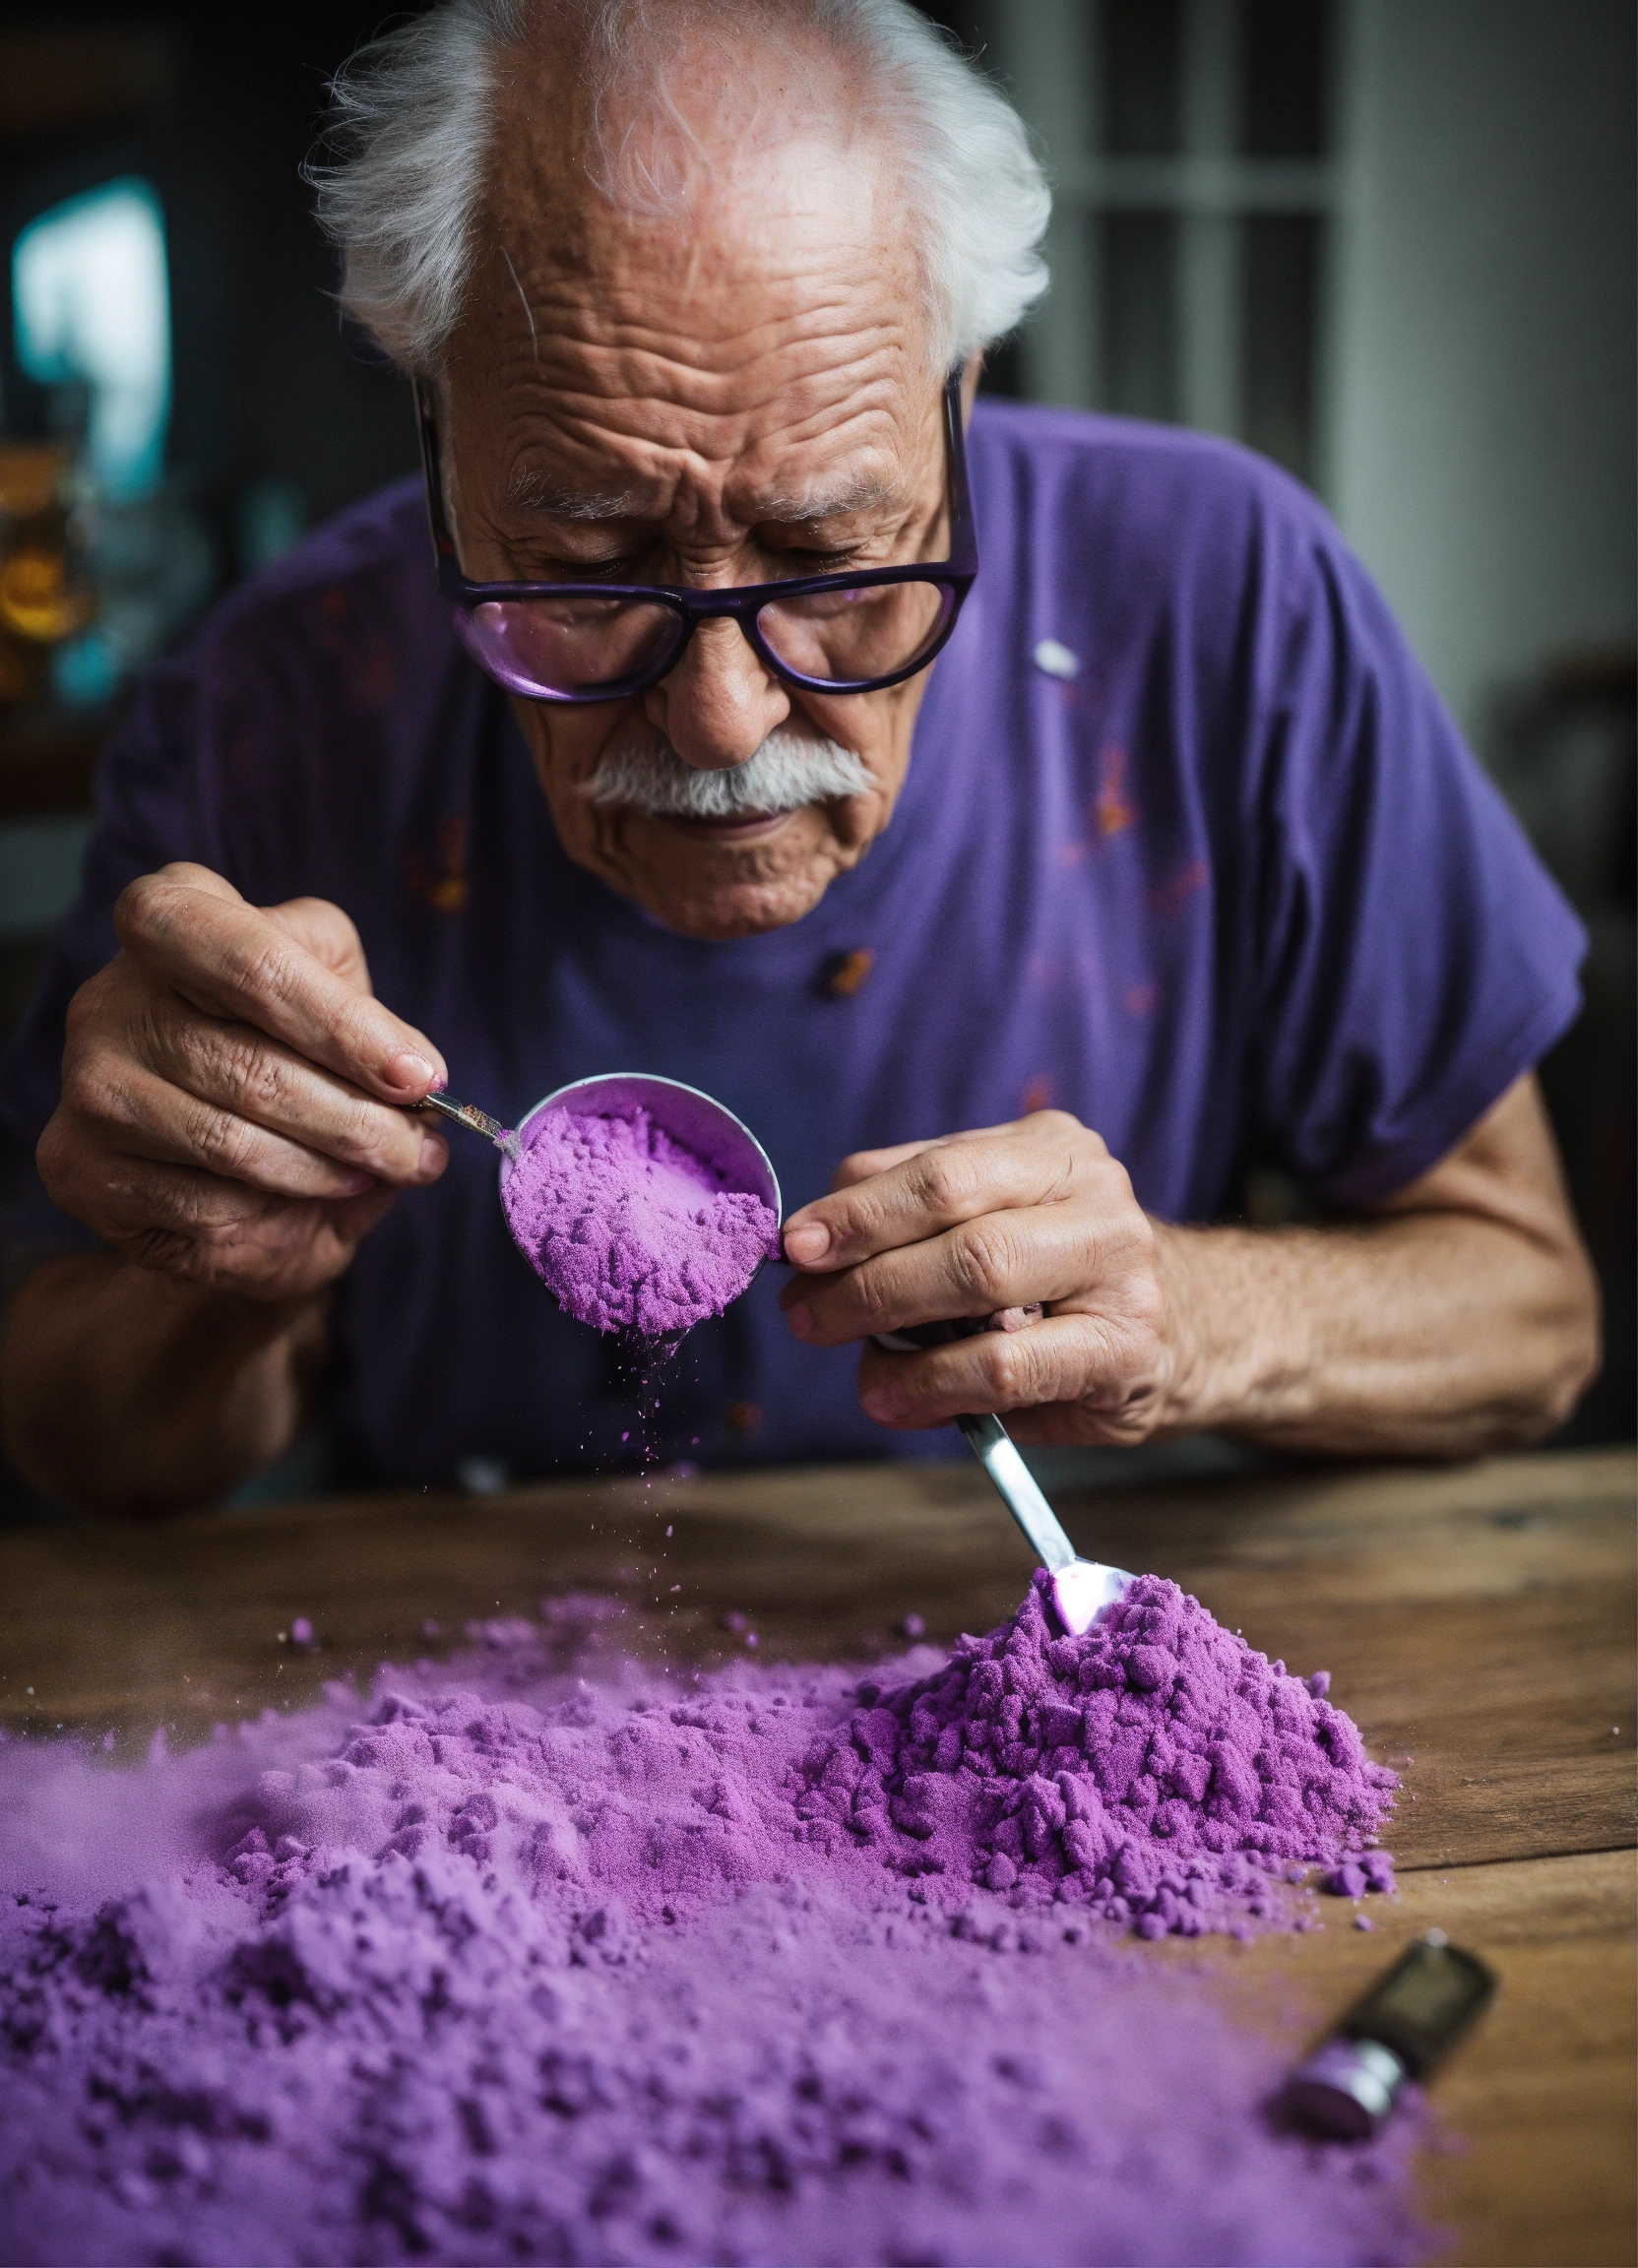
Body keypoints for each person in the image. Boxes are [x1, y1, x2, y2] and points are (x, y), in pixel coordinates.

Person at [0, 0, 1599, 1514]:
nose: (722, 718)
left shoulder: (1222, 598)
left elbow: (1528, 1317)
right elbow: (82, 1441)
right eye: (581, 570)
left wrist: (1192, 1315)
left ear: (958, 398)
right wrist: (218, 1287)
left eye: (835, 563)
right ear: (438, 433)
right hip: (472, 1691)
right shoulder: (270, 706)